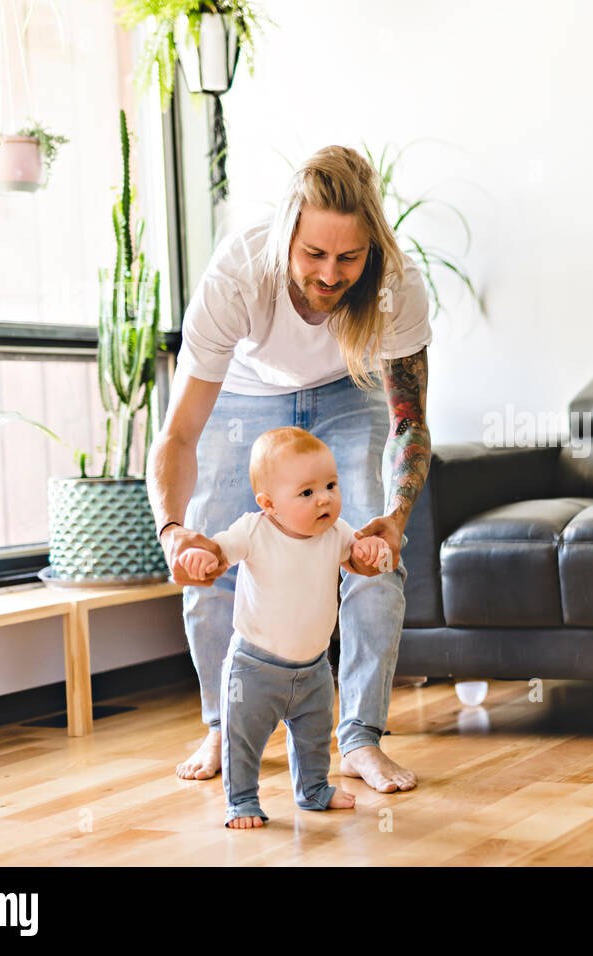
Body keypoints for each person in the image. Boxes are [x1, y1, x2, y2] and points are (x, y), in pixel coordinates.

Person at [147, 145, 431, 793]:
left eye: (348, 257)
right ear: (287, 237)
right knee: (208, 552)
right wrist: (171, 529)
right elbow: (180, 432)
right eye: (314, 255)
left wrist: (393, 518)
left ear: (372, 250)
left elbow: (409, 420)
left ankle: (359, 737)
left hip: (347, 387)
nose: (330, 275)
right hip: (245, 392)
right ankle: (224, 723)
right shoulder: (237, 276)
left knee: (373, 556)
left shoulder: (396, 288)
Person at [176, 427, 392, 828]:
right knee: (242, 741)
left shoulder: (336, 531)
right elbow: (220, 551)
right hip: (254, 668)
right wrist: (202, 558)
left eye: (331, 484)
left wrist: (370, 549)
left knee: (314, 737)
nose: (325, 498)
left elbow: (359, 553)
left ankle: (313, 790)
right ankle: (241, 801)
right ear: (269, 504)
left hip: (313, 669)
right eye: (307, 493)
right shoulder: (254, 530)